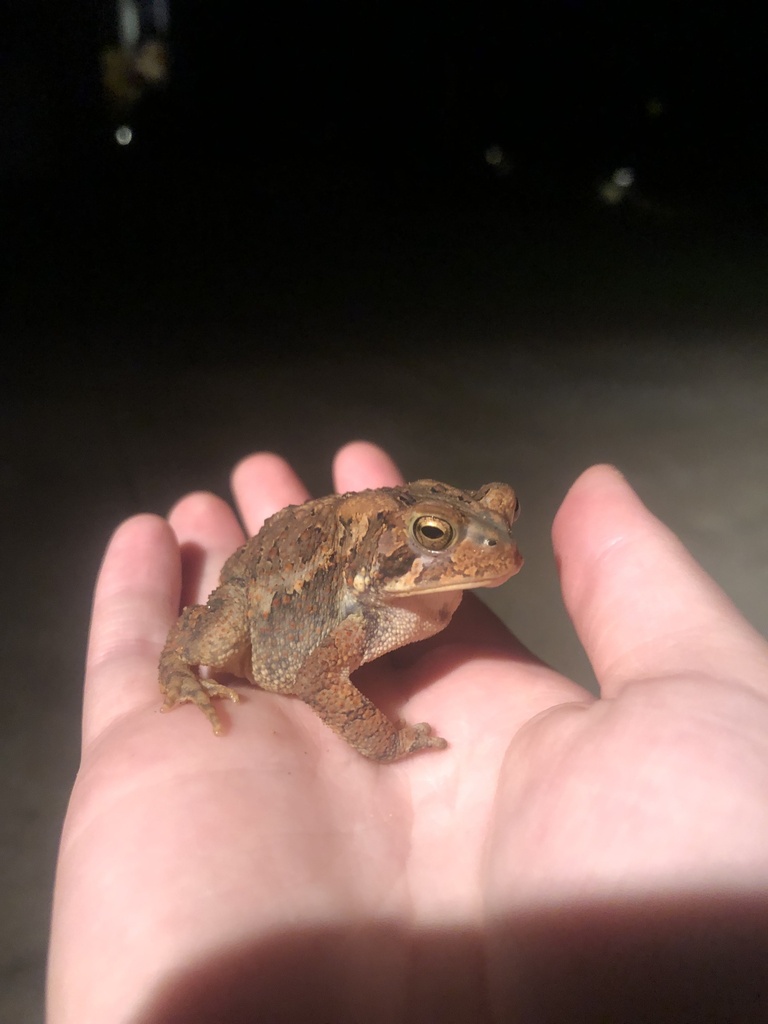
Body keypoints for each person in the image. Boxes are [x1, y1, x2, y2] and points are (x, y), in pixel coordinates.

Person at [47, 442, 768, 1023]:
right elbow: (316, 676)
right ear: (396, 549)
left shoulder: (418, 595)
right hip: (271, 607)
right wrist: (385, 741)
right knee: (219, 629)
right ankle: (176, 669)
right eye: (435, 538)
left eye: (500, 515)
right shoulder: (359, 606)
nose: (493, 540)